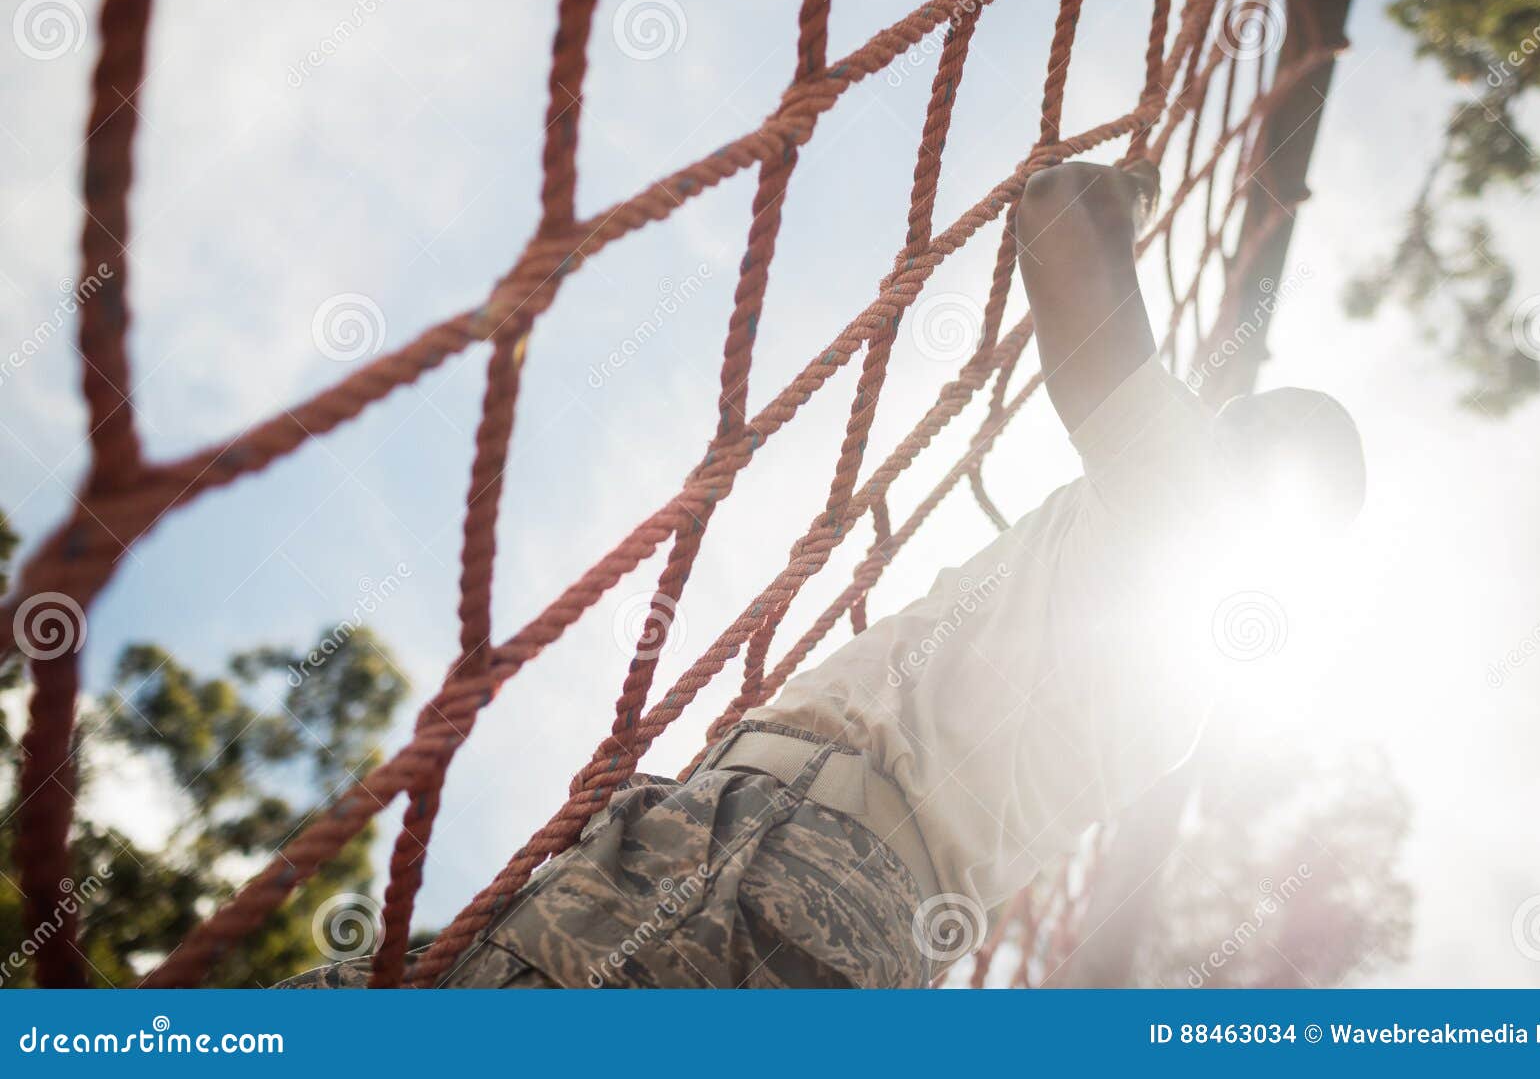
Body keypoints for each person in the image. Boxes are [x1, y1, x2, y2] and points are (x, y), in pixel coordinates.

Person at [279, 160, 1365, 990]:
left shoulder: (1187, 496)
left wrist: (1119, 188)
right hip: (810, 898)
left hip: (781, 870)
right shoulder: (1195, 643)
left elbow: (1059, 214)